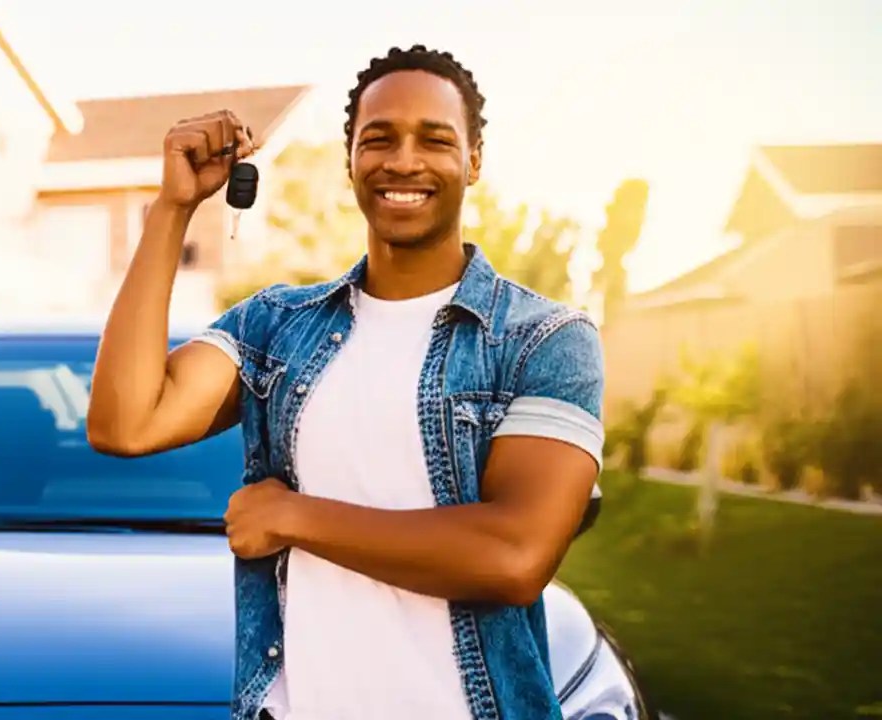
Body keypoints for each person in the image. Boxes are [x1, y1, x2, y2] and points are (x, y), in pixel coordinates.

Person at [88, 44, 605, 720]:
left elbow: (513, 556)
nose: (403, 161)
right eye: (379, 138)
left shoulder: (545, 340)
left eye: (435, 139)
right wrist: (171, 210)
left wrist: (295, 517)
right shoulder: (275, 326)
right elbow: (125, 422)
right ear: (351, 160)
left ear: (474, 161)